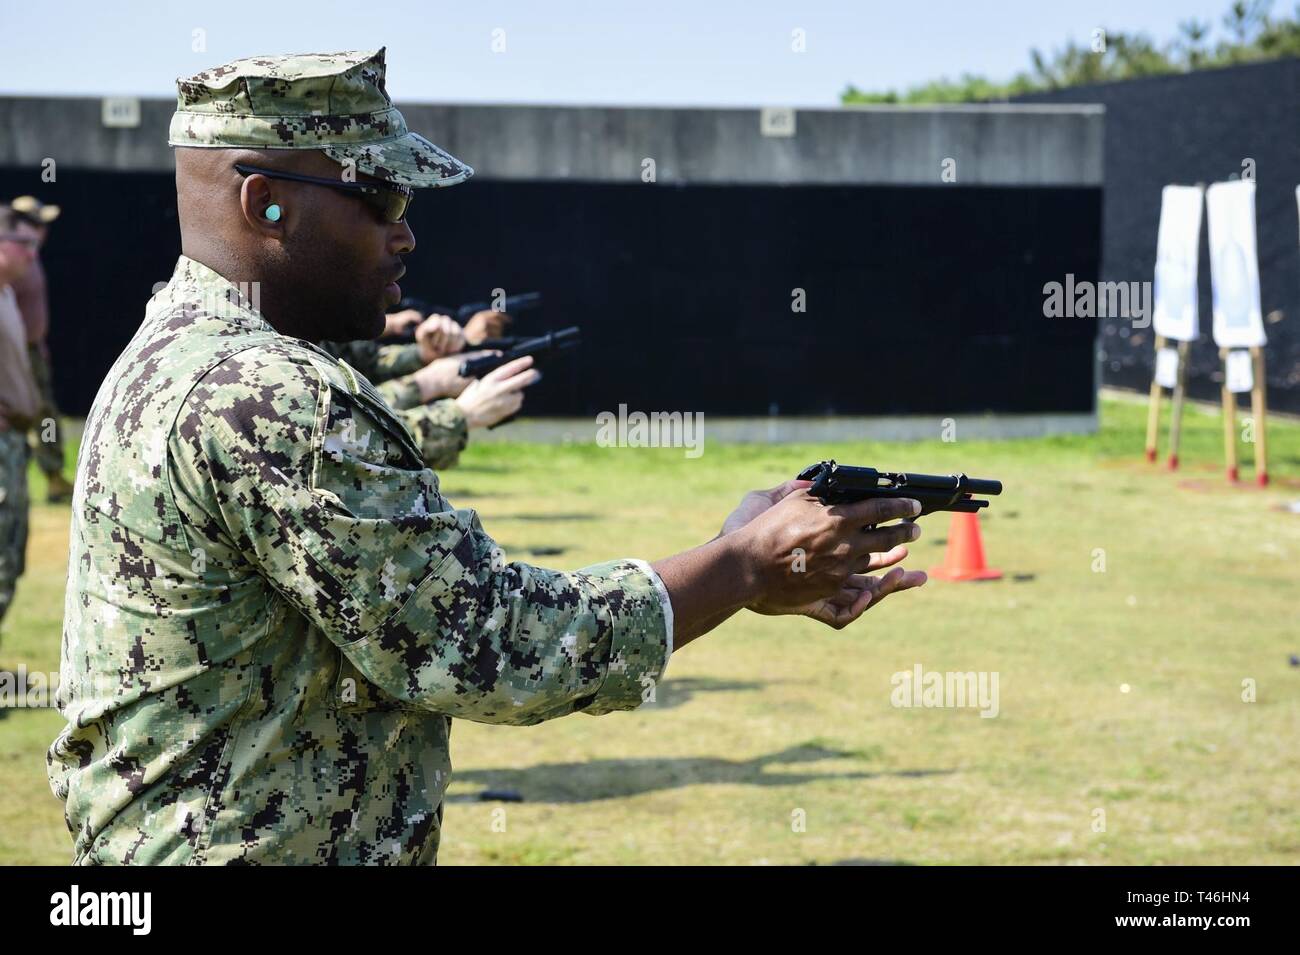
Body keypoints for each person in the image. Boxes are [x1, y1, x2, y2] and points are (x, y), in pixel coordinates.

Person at [48, 49, 926, 865]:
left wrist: (735, 560)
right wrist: (740, 564)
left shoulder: (174, 349)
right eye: (381, 197)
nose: (406, 234)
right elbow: (490, 641)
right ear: (265, 203)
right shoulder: (270, 392)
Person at [8, 196, 73, 503]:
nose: (44, 229)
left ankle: (53, 476)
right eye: (38, 223)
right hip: (18, 352)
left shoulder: (29, 256)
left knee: (43, 412)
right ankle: (47, 475)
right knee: (34, 412)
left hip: (33, 349)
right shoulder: (13, 258)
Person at [0, 209, 42, 647]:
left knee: (11, 557)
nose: (32, 254)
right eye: (23, 244)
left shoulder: (8, 295)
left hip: (13, 443)